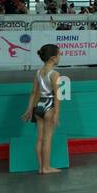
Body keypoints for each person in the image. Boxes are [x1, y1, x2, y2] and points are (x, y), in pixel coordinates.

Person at [20, 44, 64, 174]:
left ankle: (41, 168)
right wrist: (57, 113)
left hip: (39, 106)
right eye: (59, 54)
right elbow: (57, 95)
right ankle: (46, 167)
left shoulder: (38, 72)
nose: (60, 56)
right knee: (47, 139)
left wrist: (29, 109)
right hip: (49, 107)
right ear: (53, 58)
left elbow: (33, 92)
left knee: (39, 139)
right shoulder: (55, 74)